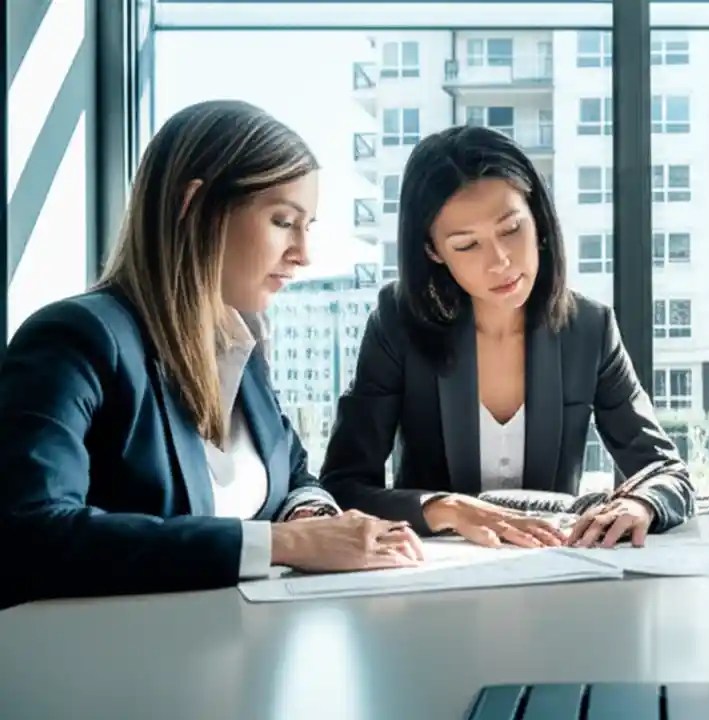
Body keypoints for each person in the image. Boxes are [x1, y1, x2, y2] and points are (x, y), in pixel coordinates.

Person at [0, 100, 424, 608]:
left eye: (306, 225)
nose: (303, 253)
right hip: (113, 668)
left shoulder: (241, 346)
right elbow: (31, 533)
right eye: (283, 220)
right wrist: (283, 545)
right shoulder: (76, 339)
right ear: (194, 205)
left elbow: (293, 477)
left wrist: (309, 518)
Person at [321, 125, 694, 549]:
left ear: (538, 219)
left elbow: (666, 473)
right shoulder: (396, 324)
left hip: (553, 570)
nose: (499, 262)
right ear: (432, 251)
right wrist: (446, 508)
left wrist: (641, 504)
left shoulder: (589, 328)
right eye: (466, 246)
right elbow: (342, 486)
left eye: (511, 229)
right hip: (430, 581)